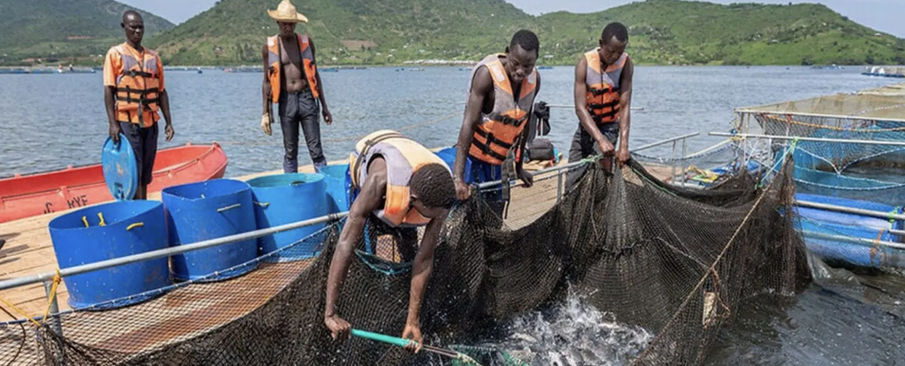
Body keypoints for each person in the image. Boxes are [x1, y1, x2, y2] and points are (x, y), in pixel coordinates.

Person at [323, 130, 456, 352]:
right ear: (412, 200)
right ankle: (366, 304)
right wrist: (330, 313)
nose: (433, 220)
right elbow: (345, 243)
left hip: (412, 184)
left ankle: (404, 315)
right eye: (429, 215)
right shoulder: (378, 182)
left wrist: (413, 320)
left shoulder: (441, 195)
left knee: (410, 252)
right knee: (365, 257)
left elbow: (424, 259)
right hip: (371, 172)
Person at [452, 30, 541, 211]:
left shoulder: (535, 81)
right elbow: (468, 123)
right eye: (516, 63)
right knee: (467, 214)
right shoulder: (486, 76)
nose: (520, 71)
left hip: (500, 161)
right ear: (507, 52)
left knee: (496, 213)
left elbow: (524, 124)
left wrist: (519, 167)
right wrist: (458, 178)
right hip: (474, 159)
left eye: (528, 66)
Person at [103, 10, 175, 200]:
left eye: (140, 27)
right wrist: (112, 123)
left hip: (150, 122)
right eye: (132, 27)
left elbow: (161, 92)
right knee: (133, 167)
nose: (137, 31)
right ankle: (133, 207)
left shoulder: (153, 57)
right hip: (128, 122)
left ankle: (143, 204)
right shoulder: (115, 54)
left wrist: (169, 121)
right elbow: (109, 91)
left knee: (146, 170)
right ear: (124, 27)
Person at [261, 0, 333, 172]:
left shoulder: (306, 43)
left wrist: (324, 107)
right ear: (278, 23)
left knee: (316, 149)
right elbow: (266, 82)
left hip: (307, 98)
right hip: (286, 102)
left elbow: (315, 75)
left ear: (295, 24)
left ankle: (325, 184)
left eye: (291, 24)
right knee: (290, 151)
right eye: (284, 24)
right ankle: (291, 186)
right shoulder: (269, 48)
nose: (288, 28)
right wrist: (265, 112)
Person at [568, 22, 634, 187]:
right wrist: (599, 139)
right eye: (611, 51)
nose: (615, 56)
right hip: (587, 127)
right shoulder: (584, 63)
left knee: (600, 179)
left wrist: (624, 145)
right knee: (573, 177)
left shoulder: (626, 64)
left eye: (620, 52)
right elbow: (580, 108)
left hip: (610, 127)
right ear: (601, 44)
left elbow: (625, 106)